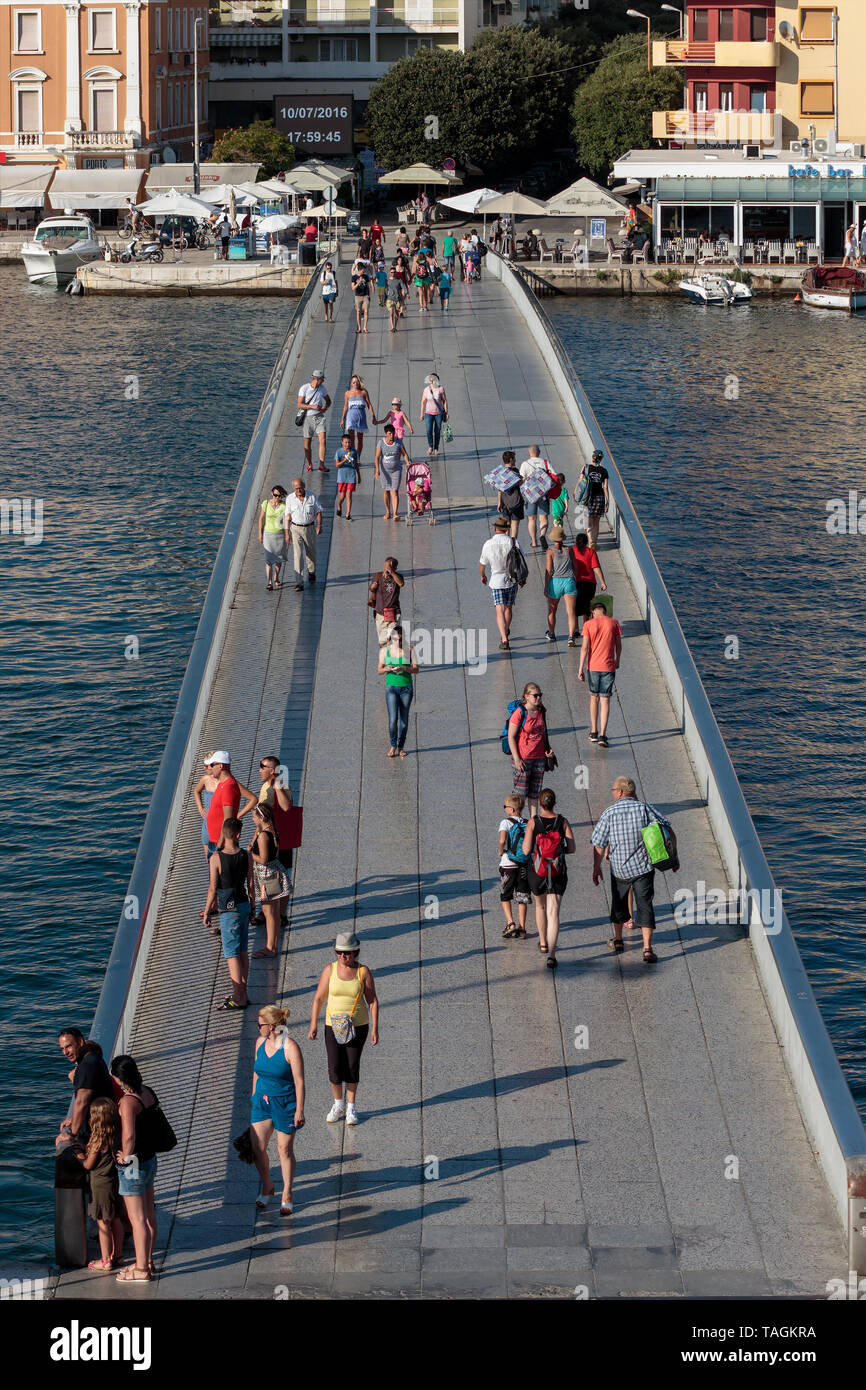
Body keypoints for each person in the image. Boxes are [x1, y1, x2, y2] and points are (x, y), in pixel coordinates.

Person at [591, 776, 677, 964]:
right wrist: (673, 858)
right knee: (645, 906)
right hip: (643, 868)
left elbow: (598, 844)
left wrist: (596, 868)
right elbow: (668, 829)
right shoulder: (644, 808)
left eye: (613, 790)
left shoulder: (609, 813)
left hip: (619, 869)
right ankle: (647, 948)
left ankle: (619, 938)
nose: (613, 793)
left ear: (621, 792)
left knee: (618, 903)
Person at [309, 932, 379, 1125]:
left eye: (347, 953)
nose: (343, 956)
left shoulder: (363, 972)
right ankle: (338, 1103)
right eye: (339, 952)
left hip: (358, 1025)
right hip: (333, 1025)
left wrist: (375, 1028)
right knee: (334, 1066)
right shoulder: (329, 970)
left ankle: (351, 1107)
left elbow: (372, 1001)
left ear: (355, 952)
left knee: (352, 1065)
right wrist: (314, 1023)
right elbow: (318, 998)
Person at [251, 1005, 305, 1215]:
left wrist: (299, 1110)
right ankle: (267, 1185)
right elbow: (257, 1071)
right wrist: (254, 1095)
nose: (258, 1028)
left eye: (260, 1025)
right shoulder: (259, 1043)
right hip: (262, 1103)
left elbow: (299, 1082)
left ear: (272, 1026)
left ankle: (287, 1193)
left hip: (285, 1104)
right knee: (257, 1147)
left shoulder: (290, 1048)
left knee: (284, 1149)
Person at [111, 1054, 160, 1282]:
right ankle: (147, 1261)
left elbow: (128, 1135)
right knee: (149, 1215)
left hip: (133, 1164)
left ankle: (140, 1270)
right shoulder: (147, 1092)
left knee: (136, 1219)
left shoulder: (127, 1102)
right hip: (149, 1160)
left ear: (118, 1078)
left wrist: (125, 1156)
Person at [202, 816, 253, 1009]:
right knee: (242, 951)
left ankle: (239, 998)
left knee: (231, 953)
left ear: (224, 834)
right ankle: (242, 992)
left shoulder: (216, 858)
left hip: (228, 908)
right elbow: (250, 883)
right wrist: (253, 905)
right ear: (238, 834)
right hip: (244, 904)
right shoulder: (245, 855)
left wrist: (207, 912)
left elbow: (212, 888)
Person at [522, 788, 575, 969]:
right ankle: (552, 955)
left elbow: (526, 850)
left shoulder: (533, 822)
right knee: (554, 912)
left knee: (540, 906)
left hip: (538, 871)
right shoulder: (563, 821)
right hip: (558, 871)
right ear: (554, 802)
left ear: (540, 803)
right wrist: (559, 851)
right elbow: (572, 847)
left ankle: (543, 942)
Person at [77, 1097, 124, 1271]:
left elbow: (89, 1165)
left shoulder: (97, 1139)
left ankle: (105, 1260)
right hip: (114, 1182)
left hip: (99, 1186)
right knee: (116, 1219)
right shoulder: (116, 1134)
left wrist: (79, 1156)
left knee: (103, 1222)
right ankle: (118, 1255)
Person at [256, 754, 296, 927]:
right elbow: (261, 816)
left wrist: (277, 785)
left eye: (262, 767)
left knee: (282, 875)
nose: (259, 770)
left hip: (281, 837)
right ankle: (265, 911)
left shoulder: (281, 785)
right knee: (264, 874)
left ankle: (281, 914)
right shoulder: (265, 786)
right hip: (264, 836)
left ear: (272, 771)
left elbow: (287, 807)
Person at [56, 1029, 114, 1147]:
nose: (65, 1052)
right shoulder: (94, 1058)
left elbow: (82, 1102)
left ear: (80, 1042)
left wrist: (72, 1135)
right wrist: (75, 1118)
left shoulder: (87, 1066)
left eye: (69, 1047)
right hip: (102, 1127)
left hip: (95, 1136)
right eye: (62, 1048)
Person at [507, 682, 554, 820]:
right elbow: (511, 736)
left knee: (535, 792)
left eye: (540, 695)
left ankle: (533, 822)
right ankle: (516, 820)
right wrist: (517, 758)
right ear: (526, 696)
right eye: (535, 696)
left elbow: (543, 732)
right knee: (520, 793)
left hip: (539, 757)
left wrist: (548, 751)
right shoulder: (519, 713)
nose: (538, 698)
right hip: (523, 758)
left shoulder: (541, 711)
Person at [578, 598, 622, 747]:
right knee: (605, 700)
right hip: (608, 667)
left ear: (593, 612)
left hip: (593, 667)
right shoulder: (613, 623)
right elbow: (618, 645)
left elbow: (584, 648)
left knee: (594, 699)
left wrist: (580, 668)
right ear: (605, 611)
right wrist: (617, 660)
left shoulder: (588, 624)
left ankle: (594, 731)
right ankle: (603, 734)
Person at [249, 802, 290, 959]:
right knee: (273, 912)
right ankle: (272, 945)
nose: (253, 819)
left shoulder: (262, 836)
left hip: (266, 876)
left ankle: (270, 947)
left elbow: (263, 859)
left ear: (261, 817)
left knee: (269, 912)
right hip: (275, 872)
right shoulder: (273, 831)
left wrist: (250, 853)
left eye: (254, 816)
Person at [479, 514, 521, 651]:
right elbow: (520, 560)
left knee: (499, 610)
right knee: (509, 608)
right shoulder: (513, 542)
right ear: (506, 529)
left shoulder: (488, 544)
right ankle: (506, 630)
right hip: (512, 579)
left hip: (496, 581)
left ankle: (504, 639)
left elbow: (482, 563)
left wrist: (483, 575)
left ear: (496, 529)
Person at [377, 624, 419, 757]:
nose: (398, 642)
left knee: (404, 721)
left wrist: (405, 668)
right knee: (392, 719)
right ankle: (393, 745)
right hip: (391, 688)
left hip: (406, 688)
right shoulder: (384, 651)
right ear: (391, 639)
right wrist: (387, 669)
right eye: (395, 639)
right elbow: (379, 670)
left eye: (400, 639)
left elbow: (416, 669)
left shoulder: (409, 650)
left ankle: (401, 746)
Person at [204, 753, 257, 858]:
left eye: (212, 765)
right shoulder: (223, 784)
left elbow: (227, 819)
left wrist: (219, 846)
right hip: (215, 840)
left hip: (221, 844)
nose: (210, 768)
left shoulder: (228, 787)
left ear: (221, 766)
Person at [498, 793, 531, 940]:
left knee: (505, 895)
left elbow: (502, 839)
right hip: (524, 864)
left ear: (511, 809)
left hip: (508, 864)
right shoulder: (528, 822)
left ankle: (510, 923)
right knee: (522, 896)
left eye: (505, 806)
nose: (504, 809)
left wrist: (500, 851)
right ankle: (522, 928)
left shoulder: (505, 822)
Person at [193, 753, 221, 922]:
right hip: (207, 826)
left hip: (220, 829)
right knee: (210, 863)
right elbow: (196, 791)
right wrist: (200, 808)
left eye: (207, 765)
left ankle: (213, 904)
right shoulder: (205, 780)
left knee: (219, 866)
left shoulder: (223, 783)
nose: (205, 768)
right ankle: (214, 903)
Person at [284, 475, 323, 592]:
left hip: (309, 528)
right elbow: (286, 516)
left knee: (311, 553)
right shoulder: (290, 499)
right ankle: (299, 582)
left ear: (304, 487)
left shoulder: (312, 496)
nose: (298, 491)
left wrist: (319, 525)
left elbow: (319, 511)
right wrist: (287, 533)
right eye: (296, 488)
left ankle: (311, 572)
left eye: (300, 488)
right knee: (298, 555)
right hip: (295, 528)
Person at [544, 525, 579, 644]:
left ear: (553, 539)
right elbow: (575, 568)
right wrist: (575, 580)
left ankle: (552, 634)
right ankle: (571, 637)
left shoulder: (550, 552)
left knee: (552, 611)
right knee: (571, 612)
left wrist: (545, 586)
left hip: (555, 582)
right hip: (569, 581)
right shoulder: (570, 550)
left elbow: (549, 571)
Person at [569, 531, 605, 643]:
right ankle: (586, 629)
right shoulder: (591, 552)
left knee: (574, 606)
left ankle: (575, 630)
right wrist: (603, 582)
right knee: (587, 607)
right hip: (590, 583)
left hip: (575, 582)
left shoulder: (572, 550)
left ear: (576, 542)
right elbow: (596, 567)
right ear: (586, 542)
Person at [519, 444, 555, 551]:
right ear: (539, 452)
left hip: (531, 495)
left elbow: (521, 479)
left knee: (532, 519)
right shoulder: (545, 462)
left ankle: (534, 542)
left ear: (529, 453)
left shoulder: (525, 464)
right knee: (543, 517)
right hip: (543, 494)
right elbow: (554, 475)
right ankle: (542, 535)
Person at [297, 369, 331, 474]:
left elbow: (328, 401)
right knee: (307, 443)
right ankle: (310, 464)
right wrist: (312, 406)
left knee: (323, 440)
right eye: (322, 379)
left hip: (319, 417)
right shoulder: (304, 388)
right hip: (307, 418)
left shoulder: (322, 389)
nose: (323, 381)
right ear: (316, 379)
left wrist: (325, 408)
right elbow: (299, 404)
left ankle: (321, 464)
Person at [375, 424, 409, 521]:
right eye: (389, 433)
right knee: (386, 490)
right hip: (384, 471)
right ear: (386, 434)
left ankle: (395, 513)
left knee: (394, 491)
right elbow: (377, 457)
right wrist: (377, 470)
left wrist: (407, 462)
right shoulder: (381, 443)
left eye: (393, 433)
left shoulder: (398, 442)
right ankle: (387, 511)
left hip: (396, 470)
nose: (392, 435)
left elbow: (404, 454)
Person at [258, 482, 288, 591]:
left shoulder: (284, 506)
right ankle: (269, 582)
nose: (277, 498)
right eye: (275, 495)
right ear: (272, 493)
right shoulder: (265, 503)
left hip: (280, 534)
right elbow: (261, 519)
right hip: (268, 534)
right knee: (269, 560)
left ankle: (276, 577)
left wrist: (287, 534)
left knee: (279, 559)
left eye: (279, 496)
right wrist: (260, 533)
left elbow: (286, 521)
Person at [369, 556, 404, 646]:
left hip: (394, 613)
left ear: (395, 568)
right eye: (385, 566)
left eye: (389, 567)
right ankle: (385, 657)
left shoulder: (398, 577)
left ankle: (394, 656)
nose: (386, 569)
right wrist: (373, 586)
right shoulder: (378, 575)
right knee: (382, 643)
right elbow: (371, 589)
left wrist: (391, 572)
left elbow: (401, 583)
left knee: (393, 639)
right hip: (380, 614)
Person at [340, 373, 376, 461]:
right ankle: (351, 457)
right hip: (351, 417)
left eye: (357, 382)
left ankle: (357, 458)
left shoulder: (363, 392)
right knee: (351, 439)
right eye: (354, 382)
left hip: (361, 417)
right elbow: (345, 406)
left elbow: (369, 405)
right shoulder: (347, 393)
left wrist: (373, 416)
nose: (355, 384)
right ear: (351, 383)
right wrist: (342, 419)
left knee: (360, 439)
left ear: (359, 383)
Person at [579, 448, 610, 550]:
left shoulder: (586, 468)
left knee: (589, 522)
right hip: (599, 498)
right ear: (601, 459)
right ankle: (594, 544)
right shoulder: (604, 471)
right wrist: (608, 501)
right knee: (596, 522)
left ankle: (590, 542)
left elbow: (581, 482)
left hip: (588, 498)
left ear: (593, 457)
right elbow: (605, 487)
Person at [497, 448, 524, 539]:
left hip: (505, 502)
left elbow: (499, 489)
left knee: (507, 525)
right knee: (515, 525)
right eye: (514, 458)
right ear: (511, 460)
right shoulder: (515, 471)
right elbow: (520, 484)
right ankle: (513, 545)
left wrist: (499, 502)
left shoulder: (501, 472)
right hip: (516, 502)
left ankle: (506, 543)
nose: (515, 460)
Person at [419, 373, 447, 458]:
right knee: (428, 430)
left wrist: (446, 412)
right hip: (428, 413)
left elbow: (444, 401)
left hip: (438, 413)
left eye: (433, 379)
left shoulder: (441, 389)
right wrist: (421, 414)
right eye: (430, 379)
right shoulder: (426, 389)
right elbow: (423, 402)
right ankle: (430, 446)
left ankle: (436, 448)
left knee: (437, 431)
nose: (431, 380)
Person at [335, 432, 360, 519]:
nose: (347, 444)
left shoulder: (354, 452)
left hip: (351, 476)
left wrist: (359, 476)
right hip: (342, 477)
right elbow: (337, 465)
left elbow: (356, 464)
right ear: (342, 442)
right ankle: (339, 505)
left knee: (349, 495)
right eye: (346, 442)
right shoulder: (339, 452)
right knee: (342, 496)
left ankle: (348, 514)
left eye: (349, 442)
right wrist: (344, 460)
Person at [351, 258, 371, 333]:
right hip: (358, 296)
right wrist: (358, 282)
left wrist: (369, 295)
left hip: (365, 295)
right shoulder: (354, 277)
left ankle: (365, 327)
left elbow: (367, 285)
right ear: (360, 269)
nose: (364, 271)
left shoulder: (365, 276)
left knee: (366, 311)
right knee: (358, 311)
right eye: (363, 269)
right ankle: (359, 327)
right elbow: (353, 288)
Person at [385, 264, 407, 331]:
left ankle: (395, 326)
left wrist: (407, 293)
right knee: (391, 312)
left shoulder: (399, 280)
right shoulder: (387, 280)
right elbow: (385, 289)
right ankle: (392, 327)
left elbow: (403, 287)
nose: (393, 273)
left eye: (394, 272)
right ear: (389, 273)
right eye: (392, 272)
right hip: (390, 299)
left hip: (397, 299)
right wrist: (384, 298)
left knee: (397, 314)